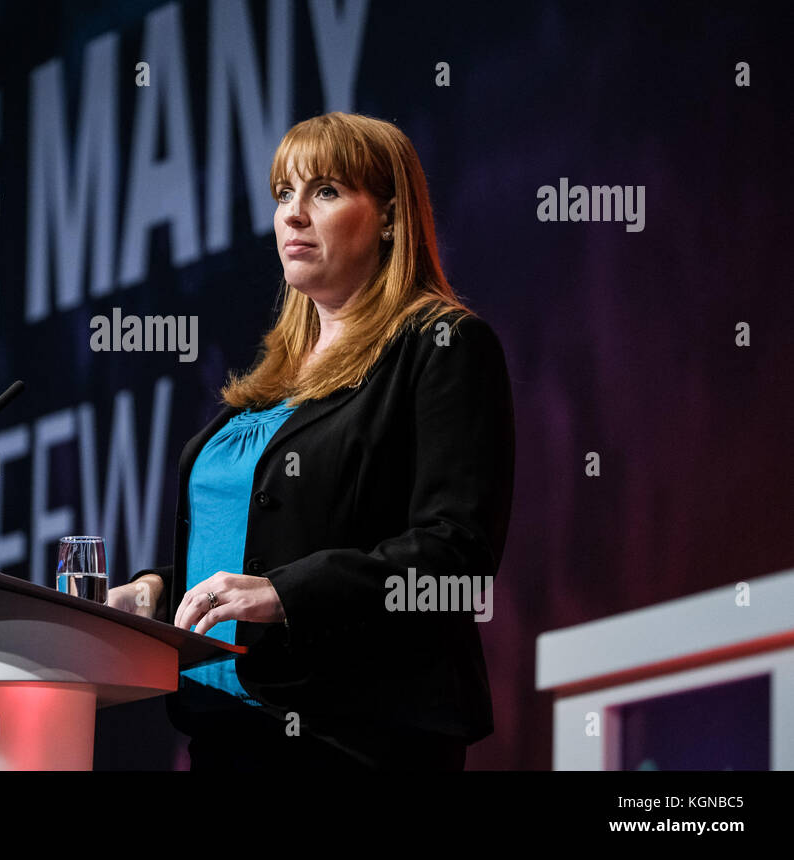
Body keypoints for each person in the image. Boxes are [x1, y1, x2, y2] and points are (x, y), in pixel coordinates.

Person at [105, 111, 515, 770]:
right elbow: (260, 547)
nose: (293, 214)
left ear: (388, 216)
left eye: (324, 190)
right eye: (282, 194)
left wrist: (290, 594)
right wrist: (153, 591)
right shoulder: (269, 385)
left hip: (354, 740)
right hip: (223, 737)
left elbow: (456, 558)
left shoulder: (440, 347)